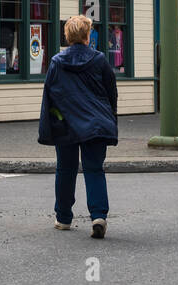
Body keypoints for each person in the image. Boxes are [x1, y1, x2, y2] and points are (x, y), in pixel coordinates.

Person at [38, 14, 118, 239]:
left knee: (65, 169)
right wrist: (109, 118)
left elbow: (49, 96)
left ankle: (63, 218)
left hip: (66, 124)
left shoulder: (56, 62)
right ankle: (98, 216)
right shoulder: (99, 60)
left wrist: (49, 126)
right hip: (95, 124)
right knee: (94, 169)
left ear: (67, 36)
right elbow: (111, 93)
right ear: (87, 35)